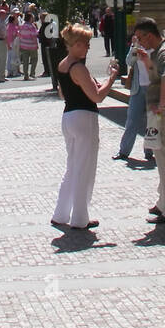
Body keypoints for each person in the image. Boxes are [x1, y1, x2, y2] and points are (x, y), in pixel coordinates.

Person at [51, 24, 119, 231]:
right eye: (86, 44)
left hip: (69, 116)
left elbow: (62, 93)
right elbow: (97, 97)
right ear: (76, 44)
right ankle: (80, 218)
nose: (89, 47)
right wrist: (111, 80)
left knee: (72, 167)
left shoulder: (63, 64)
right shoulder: (78, 67)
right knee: (85, 169)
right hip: (84, 117)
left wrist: (86, 86)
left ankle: (61, 213)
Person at [133, 18, 165, 226]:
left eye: (140, 38)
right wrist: (147, 63)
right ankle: (163, 203)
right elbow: (161, 74)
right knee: (161, 159)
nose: (139, 42)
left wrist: (162, 105)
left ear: (149, 35)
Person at [112, 35, 148, 162]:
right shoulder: (136, 47)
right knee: (131, 121)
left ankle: (149, 150)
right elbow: (128, 62)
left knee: (152, 121)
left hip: (151, 88)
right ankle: (124, 151)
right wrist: (134, 47)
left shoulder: (155, 46)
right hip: (137, 88)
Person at [17, 11, 40, 79]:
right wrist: (36, 44)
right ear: (30, 18)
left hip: (24, 45)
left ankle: (26, 75)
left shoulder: (22, 26)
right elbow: (33, 36)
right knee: (34, 59)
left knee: (25, 61)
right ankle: (32, 73)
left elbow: (19, 34)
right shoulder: (32, 26)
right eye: (32, 17)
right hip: (31, 45)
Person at [39, 11, 59, 86]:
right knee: (44, 58)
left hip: (47, 43)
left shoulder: (48, 25)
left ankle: (48, 71)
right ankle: (46, 70)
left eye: (41, 18)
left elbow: (49, 34)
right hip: (44, 43)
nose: (40, 19)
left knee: (46, 58)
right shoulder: (45, 24)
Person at [6, 9, 22, 77]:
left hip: (9, 44)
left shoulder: (7, 27)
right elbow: (16, 35)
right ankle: (15, 71)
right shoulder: (14, 27)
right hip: (14, 44)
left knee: (9, 58)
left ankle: (9, 71)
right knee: (15, 57)